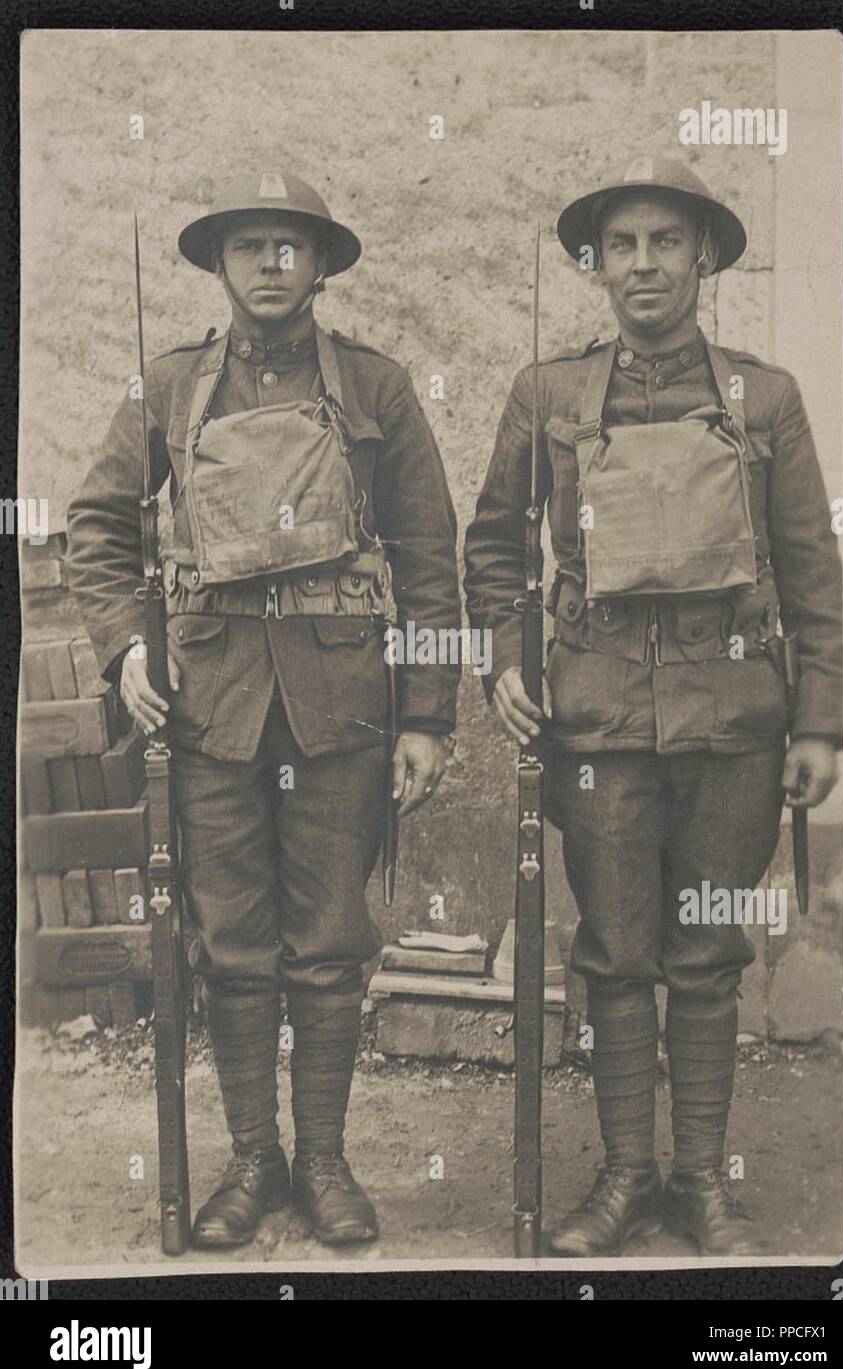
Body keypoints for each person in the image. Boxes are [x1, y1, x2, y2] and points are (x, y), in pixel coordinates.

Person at [67, 168, 461, 1249]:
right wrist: (127, 646)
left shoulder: (376, 389)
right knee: (231, 944)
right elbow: (96, 527)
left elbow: (431, 559)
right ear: (220, 262)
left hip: (342, 705)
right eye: (251, 245)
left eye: (292, 245)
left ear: (323, 261)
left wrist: (426, 713)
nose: (273, 264)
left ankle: (324, 1160)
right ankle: (252, 1160)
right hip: (212, 705)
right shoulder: (169, 387)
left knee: (331, 944)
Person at [464, 156, 842, 1256]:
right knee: (617, 955)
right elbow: (493, 543)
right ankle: (624, 1178)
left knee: (707, 956)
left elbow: (811, 568)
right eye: (619, 244)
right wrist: (505, 658)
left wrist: (817, 720)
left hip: (733, 718)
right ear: (595, 265)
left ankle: (700, 1185)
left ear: (704, 258)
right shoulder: (546, 394)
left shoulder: (761, 396)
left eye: (664, 242)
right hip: (598, 721)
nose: (641, 264)